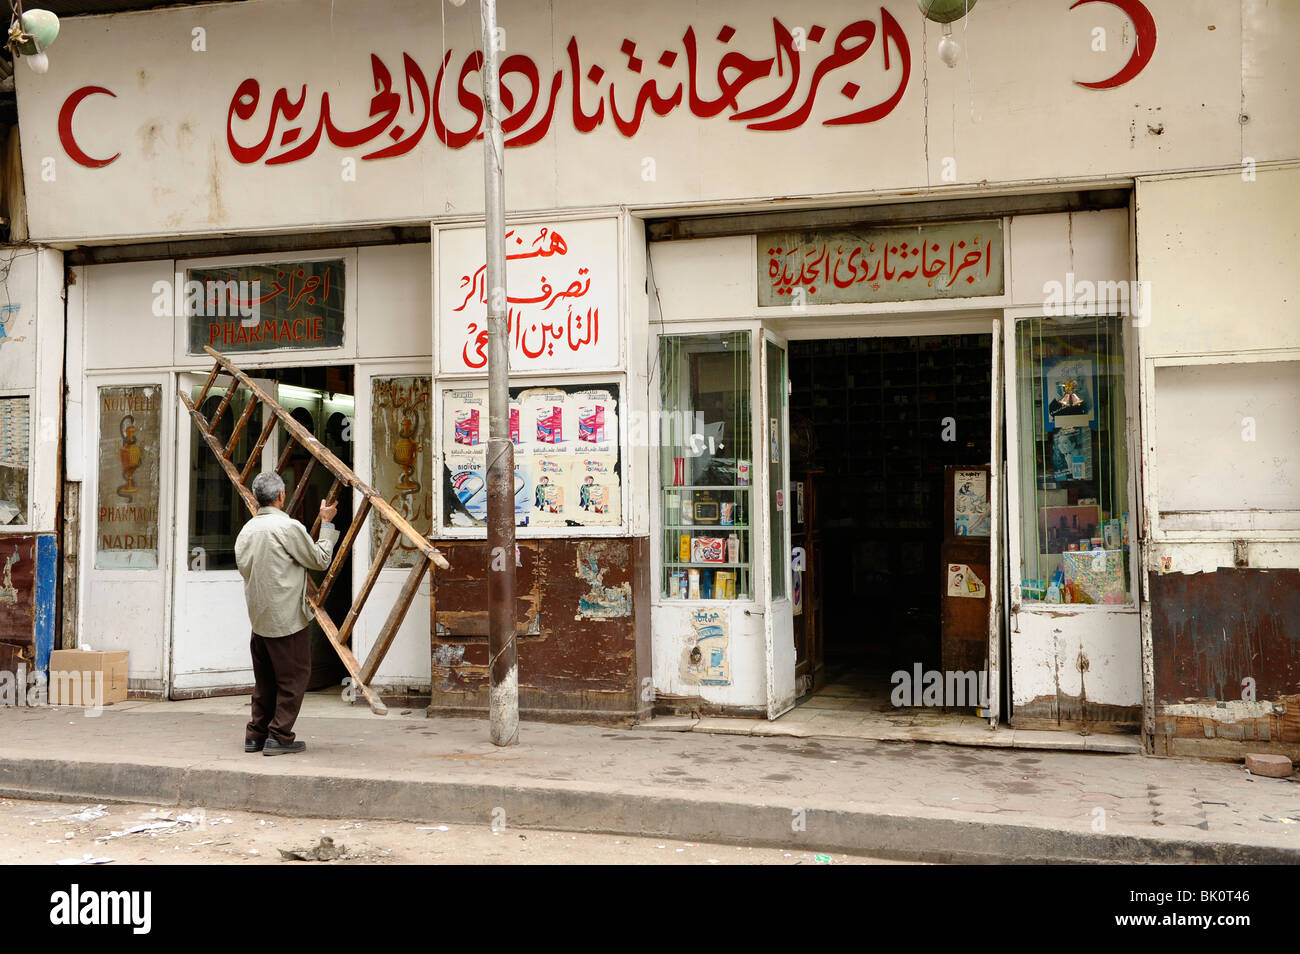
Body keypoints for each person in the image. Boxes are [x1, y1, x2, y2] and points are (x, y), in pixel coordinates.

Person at [234, 471, 339, 756]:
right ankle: (279, 735)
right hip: (286, 618)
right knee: (293, 679)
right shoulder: (286, 527)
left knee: (265, 680)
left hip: (259, 616)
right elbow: (320, 560)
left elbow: (245, 569)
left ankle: (256, 734)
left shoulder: (247, 530)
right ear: (281, 496)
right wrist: (326, 525)